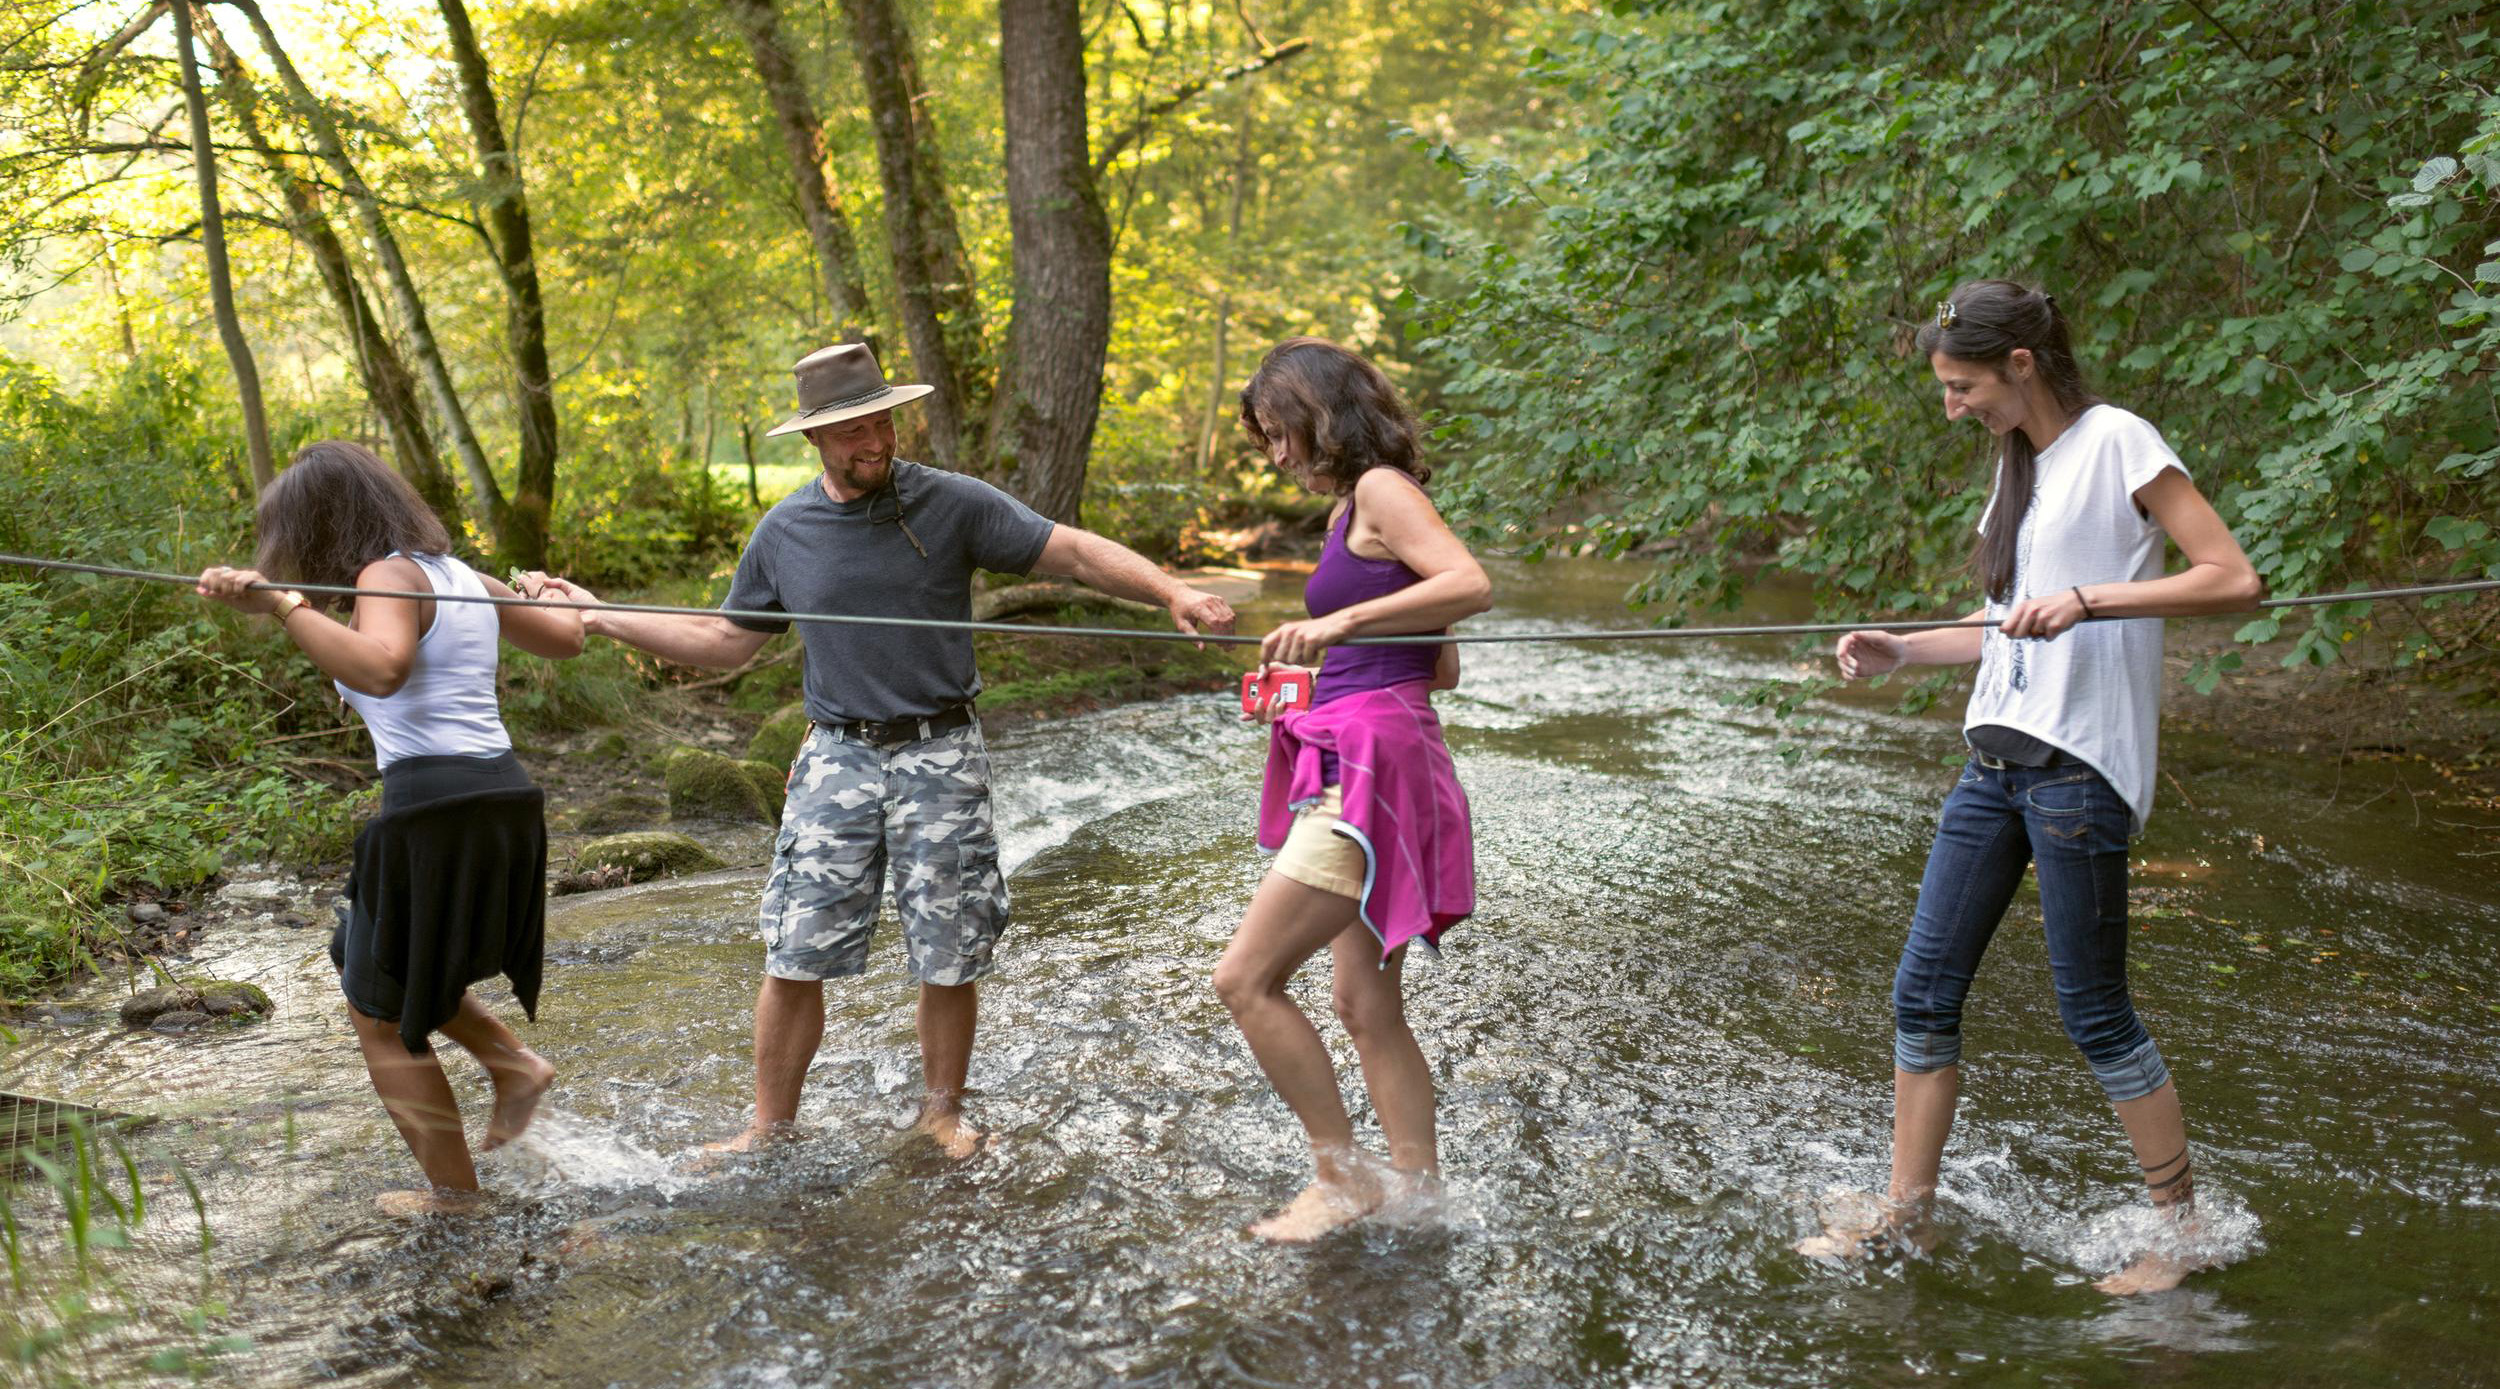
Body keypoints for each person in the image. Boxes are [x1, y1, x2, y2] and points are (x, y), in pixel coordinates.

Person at [540, 343, 1237, 1159]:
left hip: (940, 749)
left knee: (949, 948)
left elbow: (1074, 551)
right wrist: (600, 616)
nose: (874, 441)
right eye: (852, 431)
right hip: (836, 756)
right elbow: (727, 640)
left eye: (882, 422)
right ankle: (768, 1128)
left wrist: (1172, 590)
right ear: (814, 438)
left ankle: (941, 1114)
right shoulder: (785, 531)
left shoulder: (953, 503)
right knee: (795, 947)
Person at [1798, 281, 2263, 1293]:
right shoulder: (2021, 472)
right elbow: (1996, 626)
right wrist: (1900, 649)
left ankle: (2180, 1238)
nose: (1951, 407)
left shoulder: (2117, 442)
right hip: (1993, 767)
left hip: (2076, 774)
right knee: (1922, 994)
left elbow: (2231, 577)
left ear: (2020, 363)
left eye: (1962, 386)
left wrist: (2089, 600)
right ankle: (1907, 1218)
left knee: (2094, 1012)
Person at [194, 441, 583, 1215]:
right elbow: (565, 637)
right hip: (499, 796)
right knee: (361, 951)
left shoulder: (384, 576)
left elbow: (381, 667)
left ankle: (457, 1198)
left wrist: (285, 605)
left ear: (320, 526)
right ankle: (511, 1065)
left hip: (436, 807)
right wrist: (543, 592)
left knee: (375, 1012)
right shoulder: (460, 576)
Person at [1211, 338, 1490, 1241]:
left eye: (1277, 432)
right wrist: (1315, 681)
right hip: (1382, 749)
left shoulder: (1380, 490)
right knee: (1365, 1005)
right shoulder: (1348, 512)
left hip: (1375, 769)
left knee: (1245, 979)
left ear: (1318, 413)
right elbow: (1439, 666)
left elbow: (1470, 584)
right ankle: (1421, 1197)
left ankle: (1341, 1177)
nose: (1274, 454)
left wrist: (1339, 624)